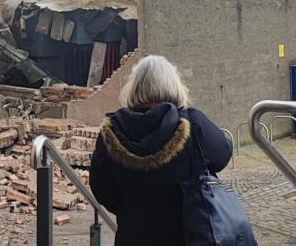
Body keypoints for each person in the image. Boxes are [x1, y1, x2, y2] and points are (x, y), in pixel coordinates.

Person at [90, 55, 234, 246]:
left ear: (134, 87)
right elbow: (223, 155)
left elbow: (102, 189)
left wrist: (131, 208)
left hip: (132, 235)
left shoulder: (110, 132)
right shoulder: (193, 124)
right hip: (187, 234)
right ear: (173, 85)